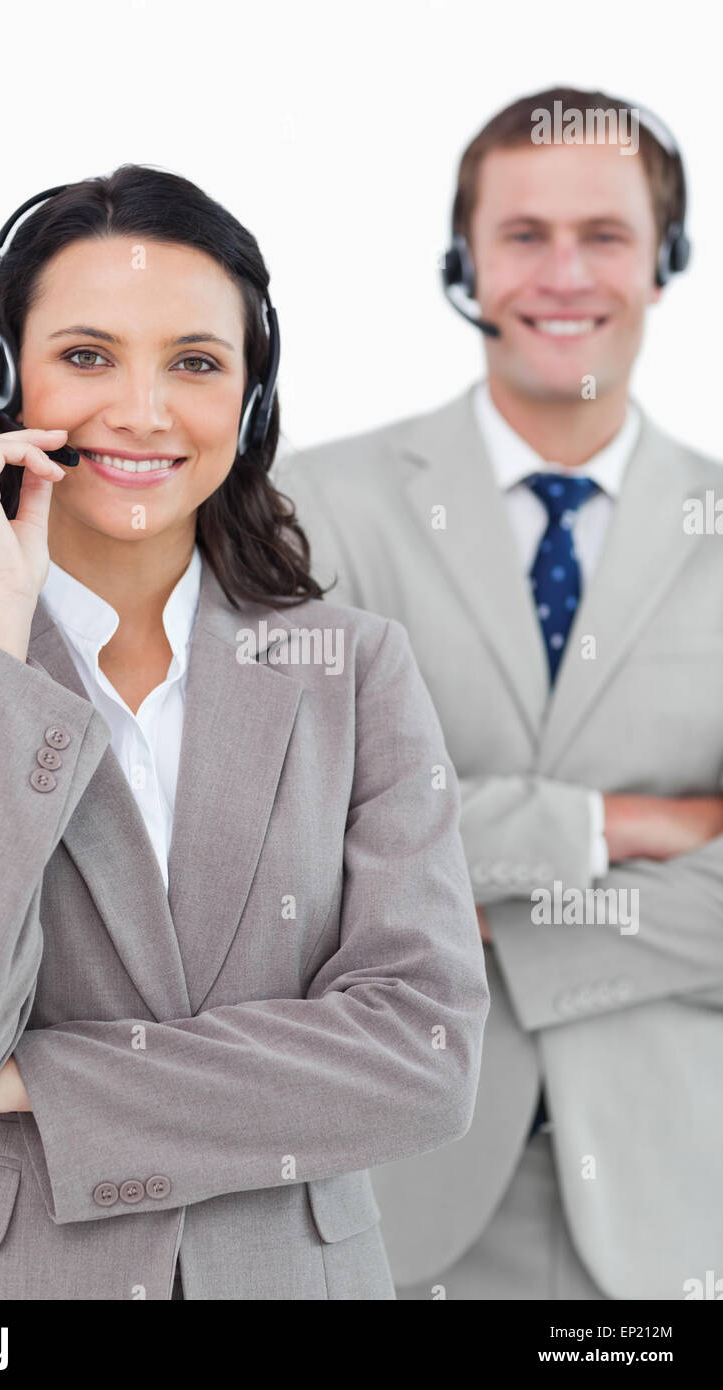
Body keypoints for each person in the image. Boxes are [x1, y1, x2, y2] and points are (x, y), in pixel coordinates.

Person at [0, 166, 489, 1301]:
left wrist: (35, 1085)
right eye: (87, 356)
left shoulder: (352, 669)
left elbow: (422, 1058)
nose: (141, 412)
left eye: (194, 362)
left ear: (249, 400)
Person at [277, 88, 723, 1301]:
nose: (562, 274)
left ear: (664, 263)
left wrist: (470, 923)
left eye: (605, 235)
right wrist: (612, 828)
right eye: (523, 234)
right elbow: (291, 834)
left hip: (672, 1212)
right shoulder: (320, 506)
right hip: (382, 1197)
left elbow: (387, 863)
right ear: (461, 262)